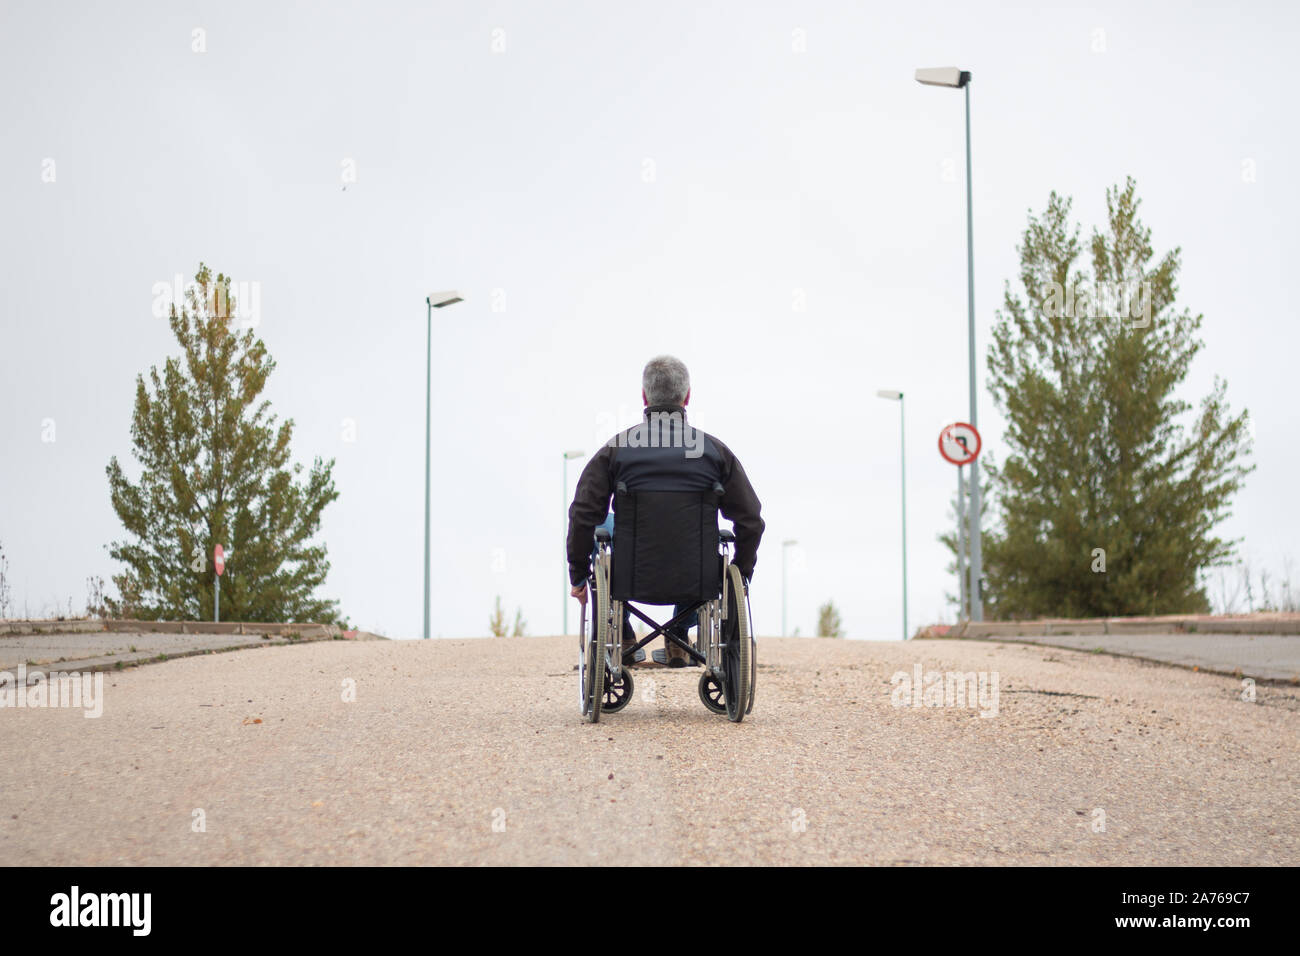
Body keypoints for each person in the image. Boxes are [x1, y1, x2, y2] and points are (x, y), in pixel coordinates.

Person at [566, 355, 764, 666]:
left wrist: (577, 574)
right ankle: (680, 636)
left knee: (602, 521)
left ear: (644, 397)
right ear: (687, 397)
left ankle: (626, 635)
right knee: (698, 531)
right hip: (698, 576)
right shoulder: (714, 451)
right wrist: (742, 573)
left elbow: (581, 516)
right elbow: (751, 521)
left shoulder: (616, 449)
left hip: (629, 574)